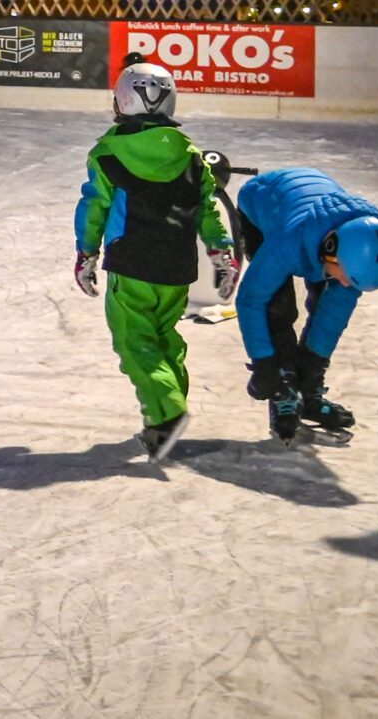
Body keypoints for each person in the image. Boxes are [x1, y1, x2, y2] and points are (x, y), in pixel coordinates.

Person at [73, 61, 238, 458]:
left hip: (131, 263)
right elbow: (208, 208)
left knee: (135, 342)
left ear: (124, 100)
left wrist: (86, 253)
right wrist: (221, 252)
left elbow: (95, 206)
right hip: (177, 267)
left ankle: (166, 415)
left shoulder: (109, 151)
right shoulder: (191, 154)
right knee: (165, 340)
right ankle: (164, 418)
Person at [232, 167, 378, 441]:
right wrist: (264, 362)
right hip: (262, 203)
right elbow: (252, 299)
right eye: (347, 277)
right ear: (331, 249)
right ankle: (284, 387)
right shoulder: (289, 242)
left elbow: (333, 314)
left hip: (315, 213)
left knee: (330, 299)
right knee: (278, 305)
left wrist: (313, 369)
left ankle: (307, 391)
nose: (348, 285)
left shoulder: (357, 249)